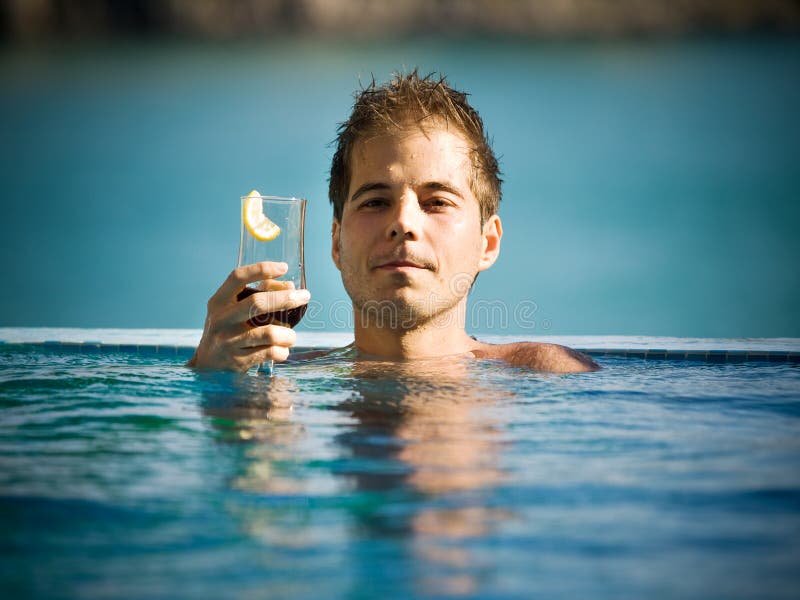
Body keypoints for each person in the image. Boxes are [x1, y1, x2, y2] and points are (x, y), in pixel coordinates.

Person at [187, 71, 598, 373]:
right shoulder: (274, 378)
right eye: (375, 201)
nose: (403, 223)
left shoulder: (549, 373)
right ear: (335, 243)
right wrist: (209, 378)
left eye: (436, 201)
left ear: (487, 243)